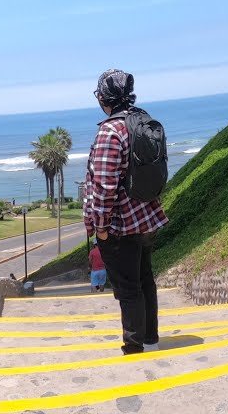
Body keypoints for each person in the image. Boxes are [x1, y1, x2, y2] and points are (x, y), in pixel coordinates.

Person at [84, 68, 169, 355]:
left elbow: (105, 186)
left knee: (128, 288)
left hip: (121, 224)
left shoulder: (110, 131)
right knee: (145, 278)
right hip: (147, 216)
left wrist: (102, 227)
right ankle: (151, 339)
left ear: (104, 98)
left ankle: (134, 347)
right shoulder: (141, 121)